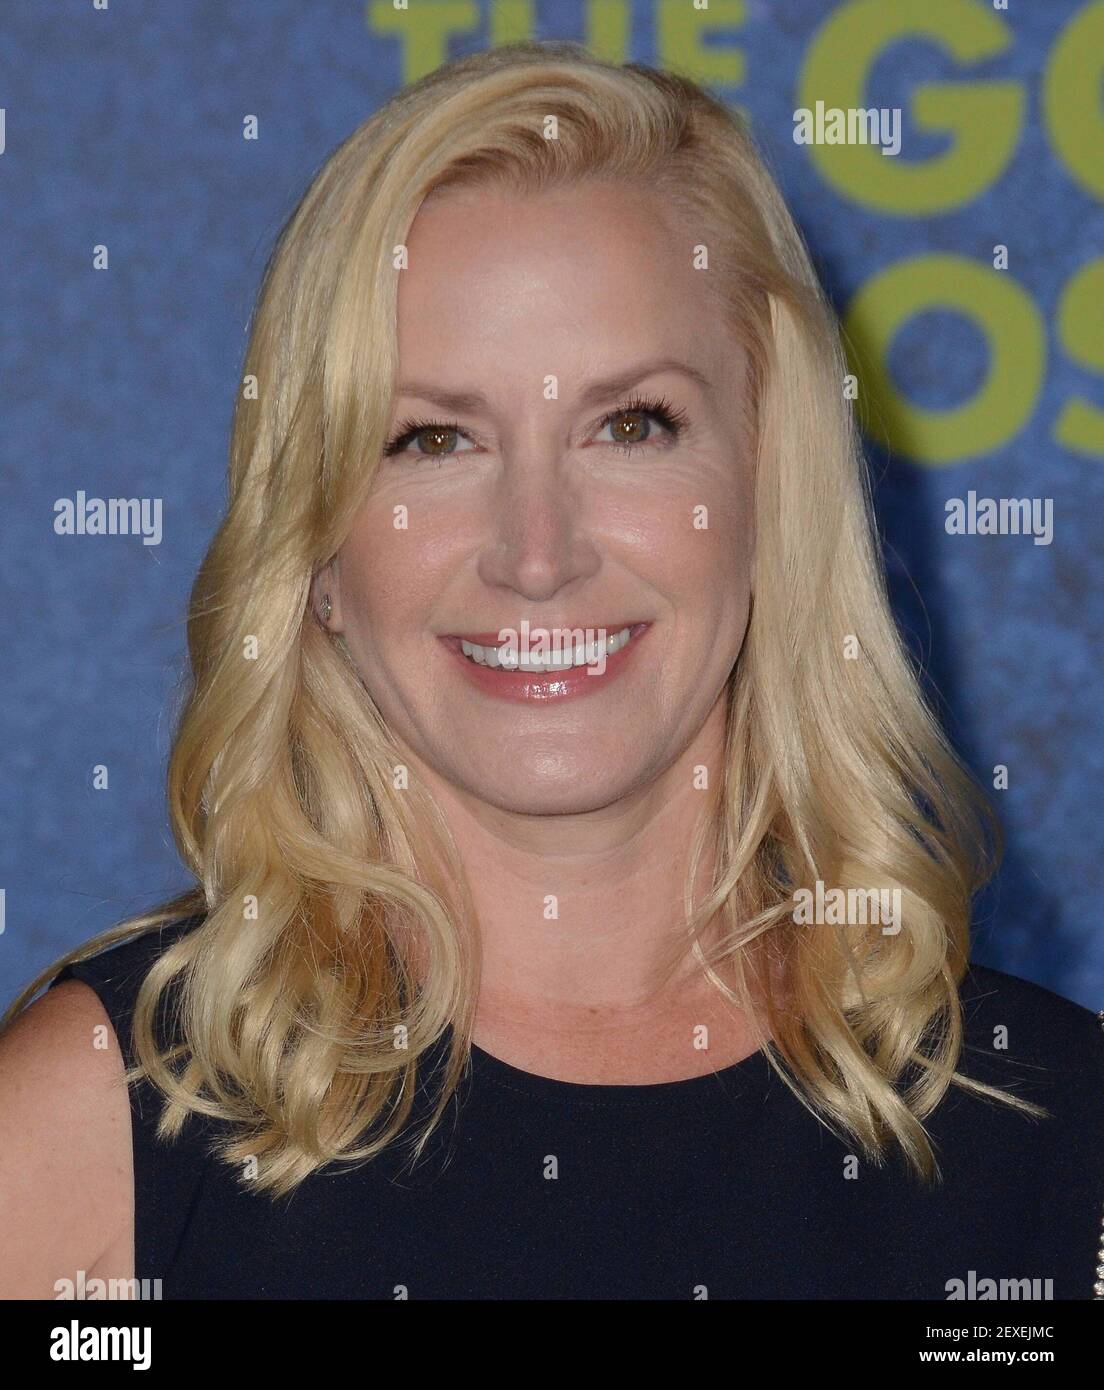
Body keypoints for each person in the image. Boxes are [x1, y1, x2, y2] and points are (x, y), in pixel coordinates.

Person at [2, 39, 1101, 1301]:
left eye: (631, 425)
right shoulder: (93, 1140)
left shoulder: (1055, 1140)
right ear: (316, 548)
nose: (538, 554)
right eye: (431, 438)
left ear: (770, 487)